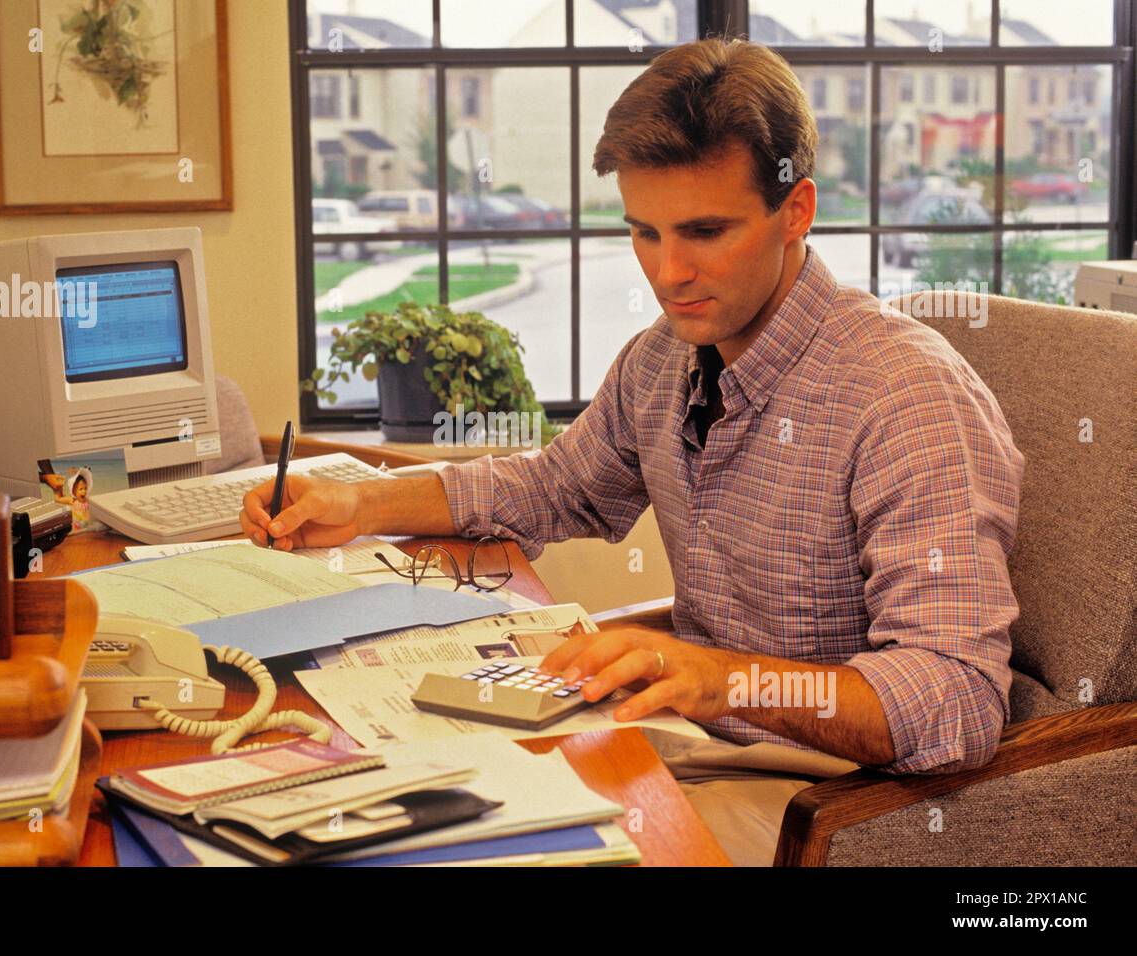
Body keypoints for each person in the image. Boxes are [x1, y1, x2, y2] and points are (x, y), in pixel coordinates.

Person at [240, 38, 1024, 865]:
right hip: (689, 746)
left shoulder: (906, 396)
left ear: (796, 210)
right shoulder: (665, 358)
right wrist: (362, 499)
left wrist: (725, 677)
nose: (668, 270)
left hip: (831, 800)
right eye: (644, 232)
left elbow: (959, 702)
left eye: (705, 230)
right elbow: (552, 488)